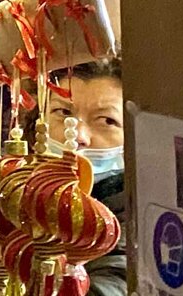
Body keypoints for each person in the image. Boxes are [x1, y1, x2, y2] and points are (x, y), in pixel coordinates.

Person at [46, 60, 125, 296]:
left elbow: (118, 279)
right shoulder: (27, 191)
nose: (78, 136)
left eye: (106, 121)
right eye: (63, 113)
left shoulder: (136, 211)